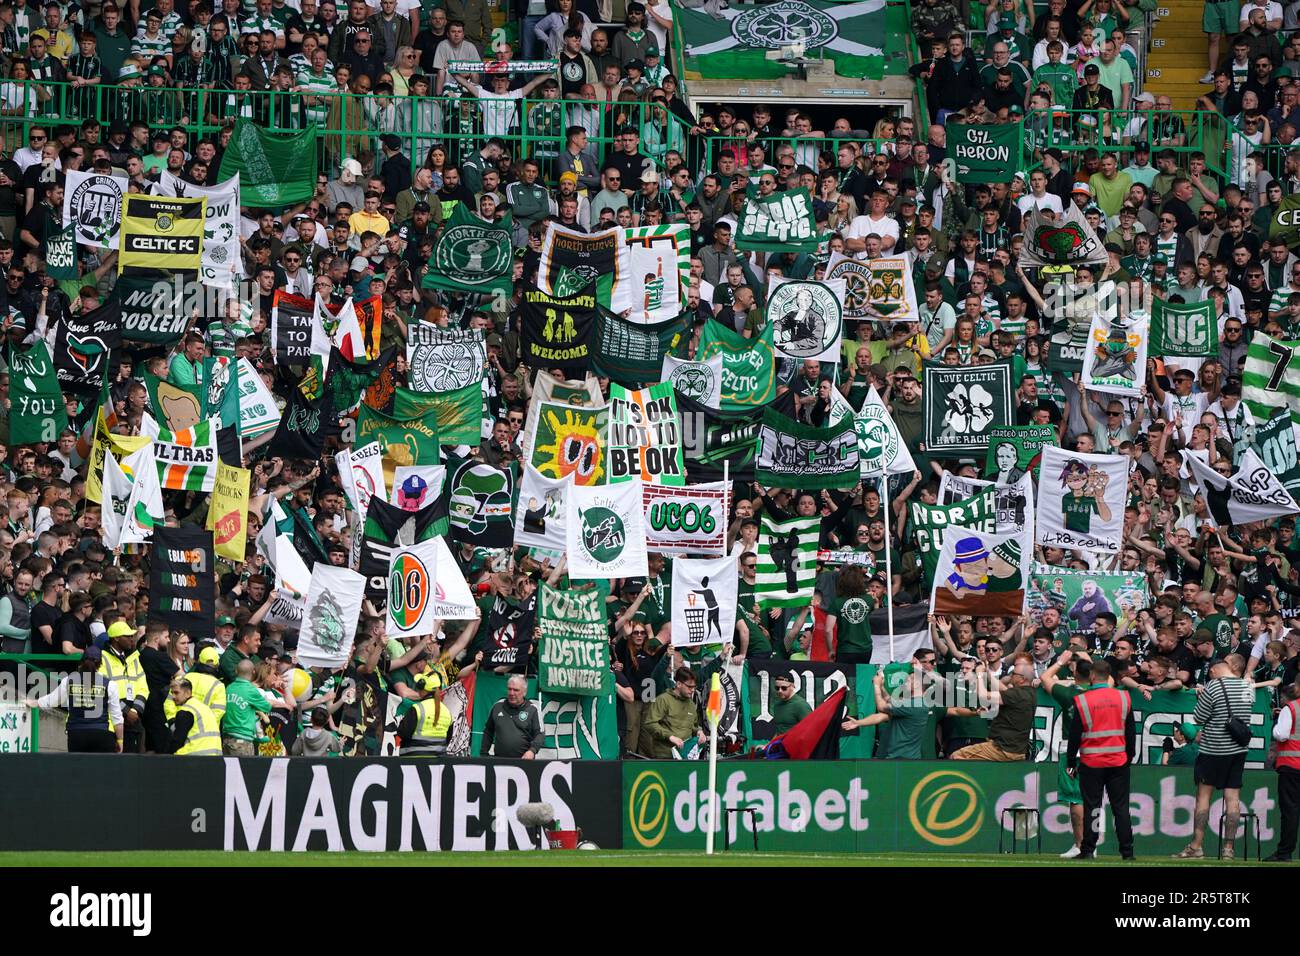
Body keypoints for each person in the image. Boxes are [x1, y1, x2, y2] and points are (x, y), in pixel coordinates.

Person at [1174, 655, 1254, 859]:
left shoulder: (1213, 687)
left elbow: (1199, 718)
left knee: (1203, 798)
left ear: (1213, 671)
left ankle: (1196, 846)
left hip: (1212, 750)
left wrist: (1202, 697)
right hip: (1238, 749)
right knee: (1233, 798)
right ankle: (1228, 849)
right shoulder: (1247, 687)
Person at [1066, 659, 1137, 860]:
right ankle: (1127, 851)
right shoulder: (1124, 697)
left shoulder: (1082, 700)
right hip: (1118, 761)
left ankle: (1088, 849)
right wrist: (1129, 756)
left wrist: (1071, 761)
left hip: (1091, 761)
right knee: (1121, 808)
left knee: (1092, 807)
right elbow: (1131, 732)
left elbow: (1075, 735)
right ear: (1108, 676)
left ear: (1092, 676)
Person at [24, 646, 123, 753]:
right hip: (102, 735)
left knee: (77, 769)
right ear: (100, 664)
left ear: (81, 662)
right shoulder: (110, 685)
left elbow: (52, 700)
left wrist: (35, 702)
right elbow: (117, 718)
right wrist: (120, 740)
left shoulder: (68, 681)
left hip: (76, 735)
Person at [1265, 683, 1299, 861]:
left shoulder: (1291, 708)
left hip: (1292, 766)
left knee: (1290, 811)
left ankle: (1285, 852)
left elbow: (1282, 734)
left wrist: (1276, 726)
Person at [640, 667, 705, 757]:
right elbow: (649, 724)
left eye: (694, 687)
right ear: (678, 684)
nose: (693, 690)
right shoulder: (663, 700)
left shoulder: (691, 704)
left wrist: (699, 732)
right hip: (665, 756)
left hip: (686, 756)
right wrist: (670, 737)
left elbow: (692, 727)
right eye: (689, 686)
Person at [479, 674, 543, 758]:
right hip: (499, 761)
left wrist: (532, 751)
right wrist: (483, 754)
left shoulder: (533, 709)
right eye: (509, 689)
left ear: (524, 692)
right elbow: (488, 731)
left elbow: (540, 734)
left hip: (523, 762)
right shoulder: (497, 706)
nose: (511, 693)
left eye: (516, 690)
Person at [222, 658, 272, 756]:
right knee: (245, 770)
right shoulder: (251, 690)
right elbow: (267, 707)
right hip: (243, 740)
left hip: (226, 738)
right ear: (253, 672)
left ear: (236, 670)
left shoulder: (229, 687)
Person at [164, 678, 222, 756]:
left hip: (193, 757)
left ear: (188, 693)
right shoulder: (203, 707)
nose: (173, 697)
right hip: (214, 756)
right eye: (172, 693)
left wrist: (166, 755)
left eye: (176, 693)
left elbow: (177, 741)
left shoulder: (186, 711)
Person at [771, 670, 812, 735]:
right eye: (777, 688)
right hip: (780, 744)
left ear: (792, 686)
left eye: (784, 688)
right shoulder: (777, 705)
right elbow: (779, 731)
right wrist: (768, 745)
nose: (780, 691)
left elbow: (810, 730)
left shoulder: (801, 705)